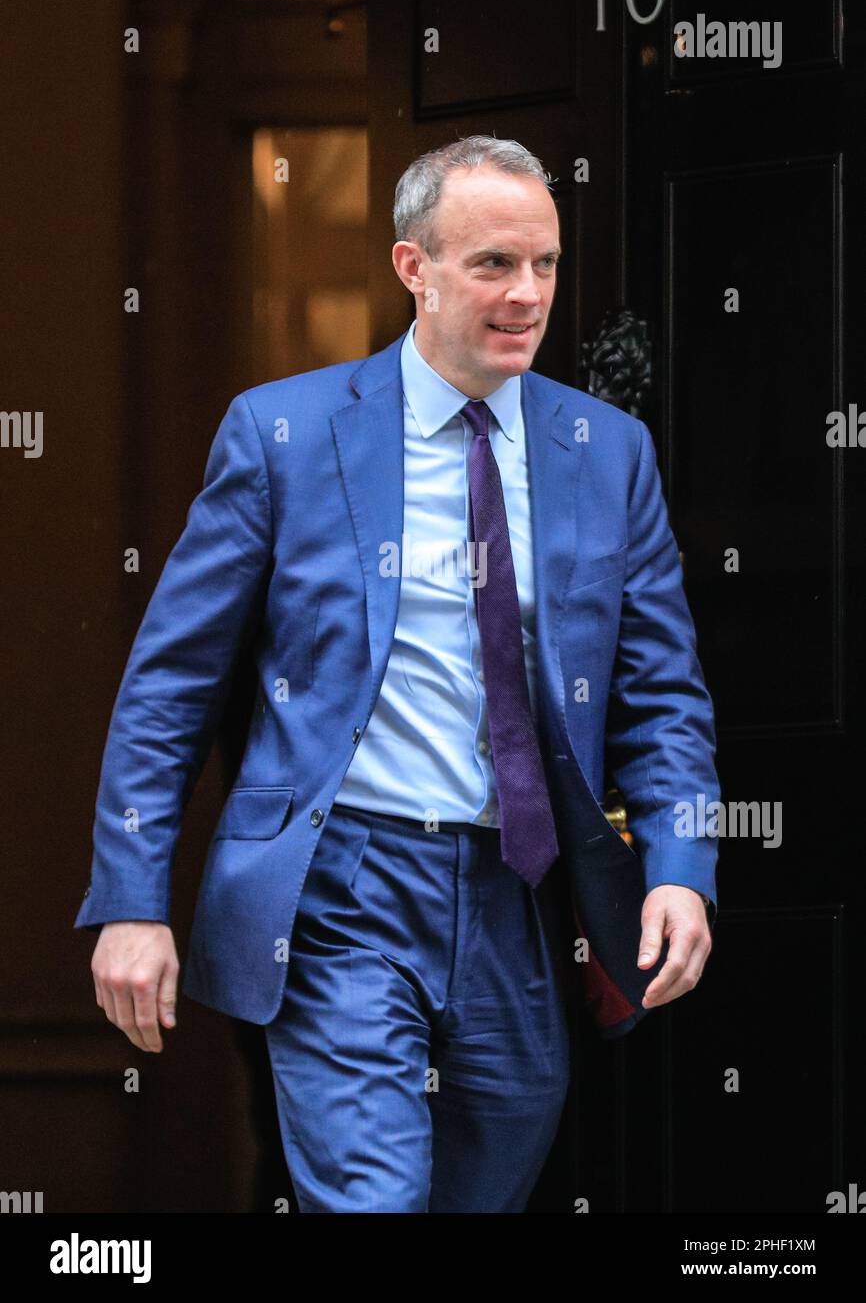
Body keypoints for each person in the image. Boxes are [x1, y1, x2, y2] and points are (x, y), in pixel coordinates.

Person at [75, 134, 720, 1213]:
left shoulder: (606, 453)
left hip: (514, 892)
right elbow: (169, 685)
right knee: (370, 1198)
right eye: (491, 266)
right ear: (411, 268)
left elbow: (660, 691)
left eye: (544, 265)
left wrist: (677, 863)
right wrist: (131, 901)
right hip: (341, 890)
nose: (526, 295)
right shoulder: (285, 434)